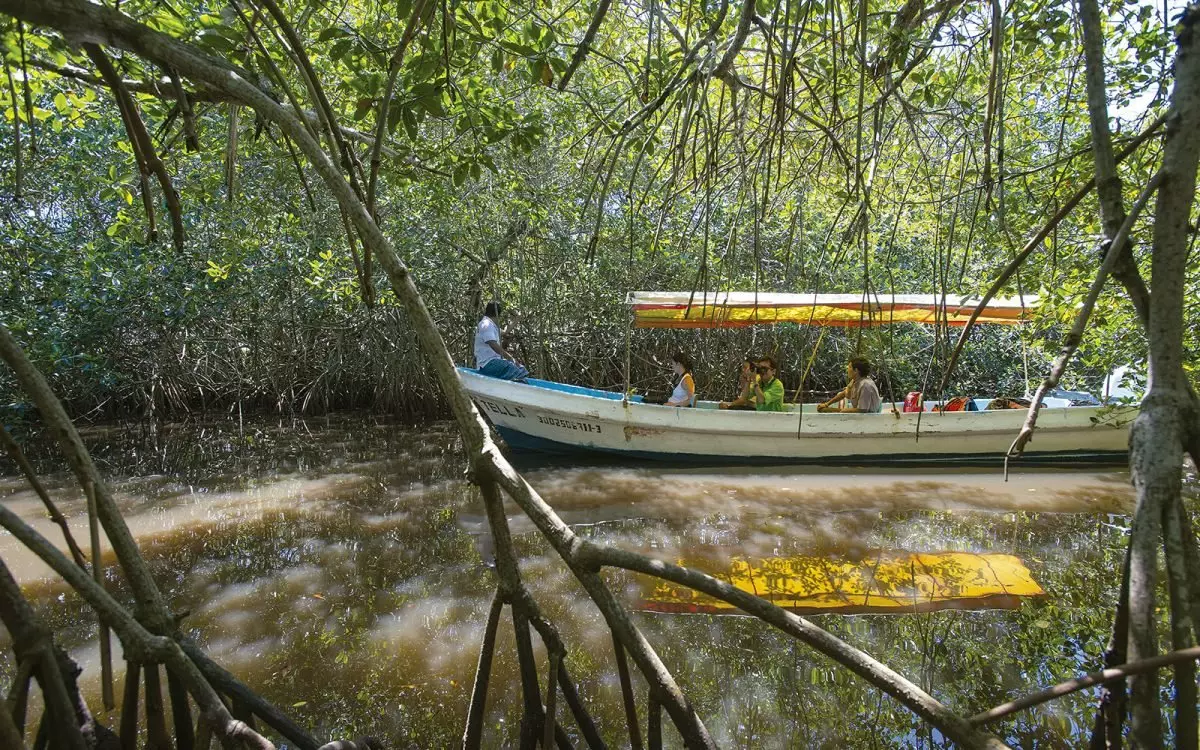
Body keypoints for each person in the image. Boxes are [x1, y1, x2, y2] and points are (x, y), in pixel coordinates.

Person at [474, 301, 529, 381]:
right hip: (488, 364)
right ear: (497, 314)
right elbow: (493, 344)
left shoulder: (490, 324)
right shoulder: (486, 325)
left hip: (491, 363)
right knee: (518, 370)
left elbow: (505, 332)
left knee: (520, 370)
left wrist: (517, 319)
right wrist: (511, 358)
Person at [817, 356, 882, 413]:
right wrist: (827, 404)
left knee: (837, 411)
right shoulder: (855, 381)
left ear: (856, 371)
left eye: (849, 367)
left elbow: (863, 410)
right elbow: (844, 394)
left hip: (869, 418)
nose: (847, 369)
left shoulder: (865, 385)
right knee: (823, 409)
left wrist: (842, 411)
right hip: (860, 415)